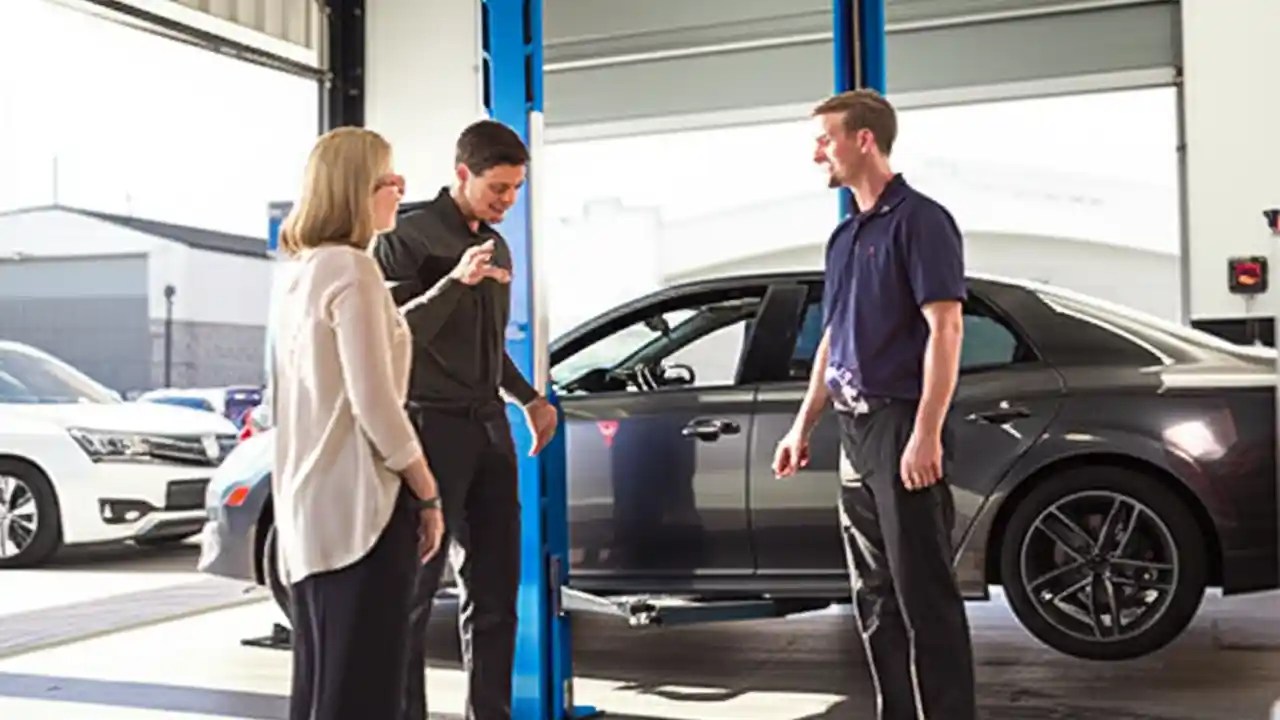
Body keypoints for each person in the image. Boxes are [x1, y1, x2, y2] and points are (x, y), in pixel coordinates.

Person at [772, 90, 978, 720]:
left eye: (825, 138)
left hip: (899, 425)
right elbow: (834, 338)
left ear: (864, 139)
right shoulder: (843, 238)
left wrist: (926, 433)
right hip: (855, 432)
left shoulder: (922, 221)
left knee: (924, 597)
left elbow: (946, 328)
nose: (816, 153)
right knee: (875, 597)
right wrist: (803, 424)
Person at [372, 119, 558, 720]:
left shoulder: (497, 245)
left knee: (498, 592)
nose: (507, 201)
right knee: (415, 596)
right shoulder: (407, 236)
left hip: (489, 429)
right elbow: (394, 335)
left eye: (515, 189)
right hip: (430, 427)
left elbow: (486, 346)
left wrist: (529, 398)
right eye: (497, 188)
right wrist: (456, 280)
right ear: (461, 173)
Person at [268, 127, 447, 720]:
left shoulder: (296, 274)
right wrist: (427, 490)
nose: (400, 191)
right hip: (361, 512)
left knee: (323, 687)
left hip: (307, 515)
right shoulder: (354, 270)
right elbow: (375, 404)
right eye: (389, 180)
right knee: (367, 691)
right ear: (354, 190)